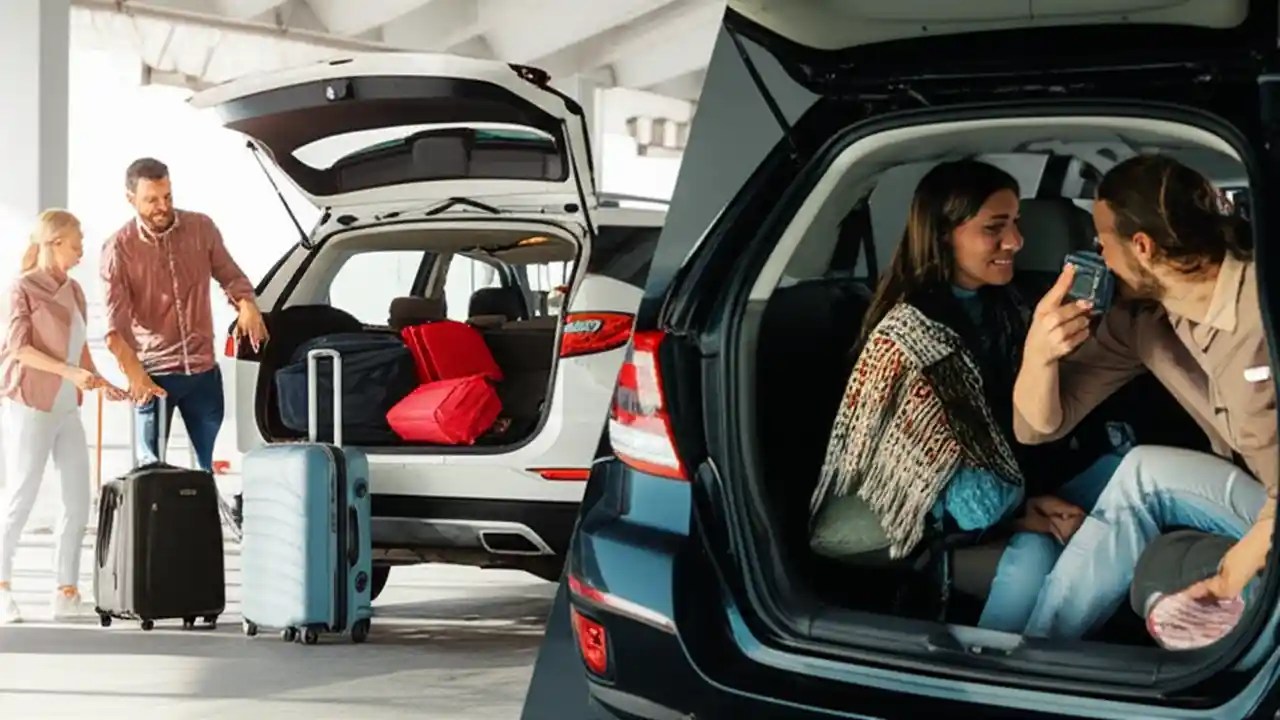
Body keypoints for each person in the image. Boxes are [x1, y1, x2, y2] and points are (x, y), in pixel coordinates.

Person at [808, 160, 1131, 632]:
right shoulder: (909, 339)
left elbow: (1029, 431)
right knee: (1035, 555)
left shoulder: (1015, 305)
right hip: (938, 530)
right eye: (994, 228)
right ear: (943, 235)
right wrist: (1022, 516)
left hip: (1021, 490)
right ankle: (992, 682)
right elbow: (953, 499)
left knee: (1129, 475)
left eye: (1016, 223)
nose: (1015, 241)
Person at [1013, 154, 1274, 639]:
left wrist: (1229, 575)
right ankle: (1038, 651)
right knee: (1139, 469)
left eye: (1102, 243)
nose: (1097, 256)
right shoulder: (1143, 321)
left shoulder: (1265, 306)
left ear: (1142, 247)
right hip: (1262, 496)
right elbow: (1038, 427)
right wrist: (1040, 354)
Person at [101, 157, 268, 479]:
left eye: (168, 197)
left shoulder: (201, 228)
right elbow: (115, 328)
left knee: (211, 472)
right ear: (130, 198)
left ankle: (211, 527)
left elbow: (230, 275)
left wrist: (246, 304)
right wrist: (136, 376)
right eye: (152, 200)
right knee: (149, 476)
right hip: (153, 376)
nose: (162, 207)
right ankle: (153, 530)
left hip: (203, 374)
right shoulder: (118, 249)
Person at [0, 210, 128, 623]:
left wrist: (100, 380)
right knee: (21, 495)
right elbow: (19, 349)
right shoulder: (21, 289)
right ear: (54, 242)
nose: (81, 251)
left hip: (66, 407)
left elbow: (80, 349)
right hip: (32, 404)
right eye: (75, 243)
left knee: (78, 499)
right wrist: (71, 372)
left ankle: (66, 590)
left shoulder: (73, 290)